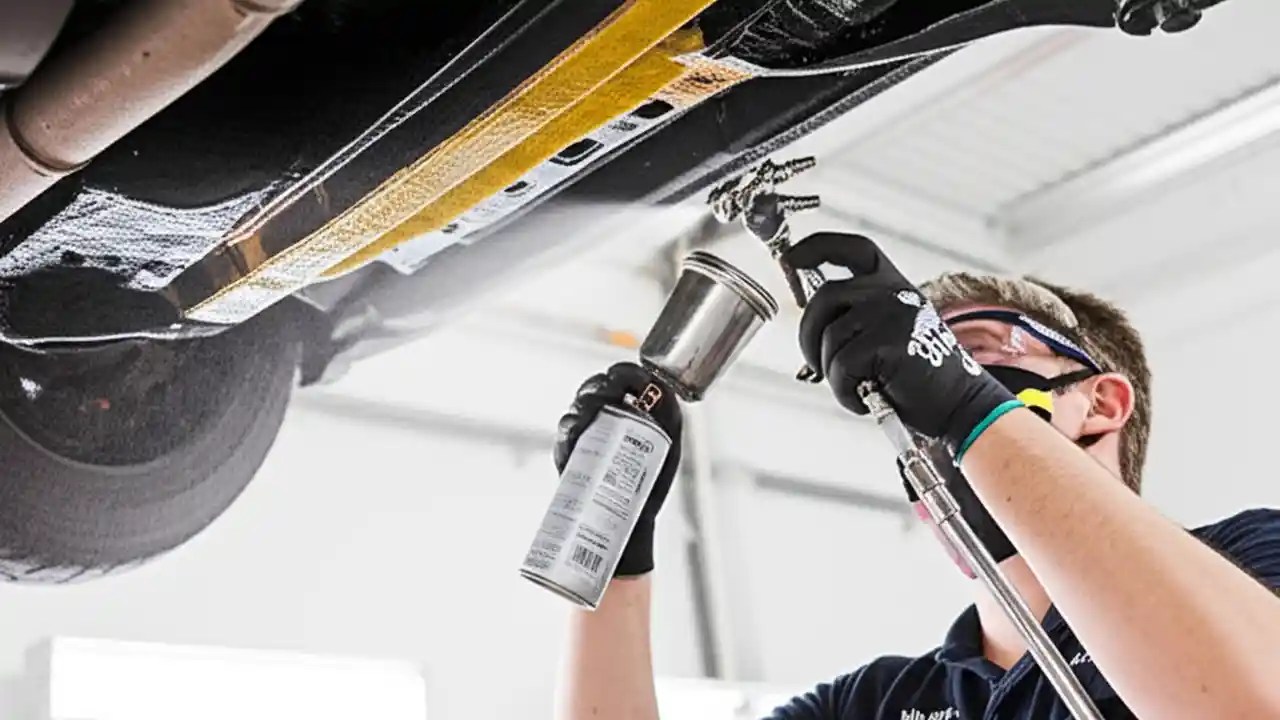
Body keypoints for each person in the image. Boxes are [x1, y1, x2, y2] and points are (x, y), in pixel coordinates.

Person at [551, 231, 1280, 720]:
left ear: (1099, 402)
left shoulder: (1250, 561)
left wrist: (969, 407)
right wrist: (610, 548)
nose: (918, 397)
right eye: (916, 370)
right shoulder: (877, 702)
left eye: (972, 348)